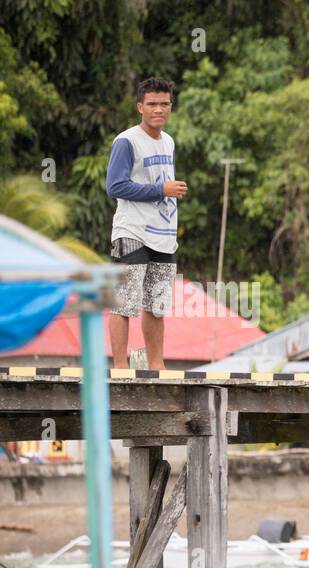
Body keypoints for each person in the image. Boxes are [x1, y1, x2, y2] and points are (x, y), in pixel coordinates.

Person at [105, 77, 186, 371]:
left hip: (163, 235)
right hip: (132, 232)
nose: (158, 110)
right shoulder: (126, 141)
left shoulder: (168, 141)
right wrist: (161, 190)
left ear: (171, 107)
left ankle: (157, 366)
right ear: (140, 106)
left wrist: (166, 193)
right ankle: (120, 368)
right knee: (124, 302)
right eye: (152, 104)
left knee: (156, 305)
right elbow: (115, 187)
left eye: (164, 104)